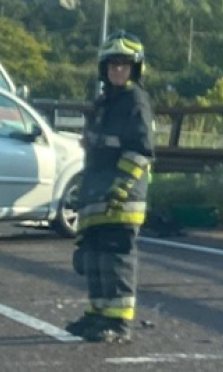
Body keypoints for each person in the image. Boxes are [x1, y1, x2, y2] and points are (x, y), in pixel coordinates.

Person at [65, 31, 154, 344]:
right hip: (97, 193)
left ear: (135, 68)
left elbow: (141, 150)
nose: (118, 70)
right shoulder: (105, 102)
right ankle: (98, 315)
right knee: (94, 258)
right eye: (113, 65)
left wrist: (120, 188)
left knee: (116, 260)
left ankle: (118, 323)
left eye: (124, 65)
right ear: (104, 69)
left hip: (121, 198)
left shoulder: (135, 101)